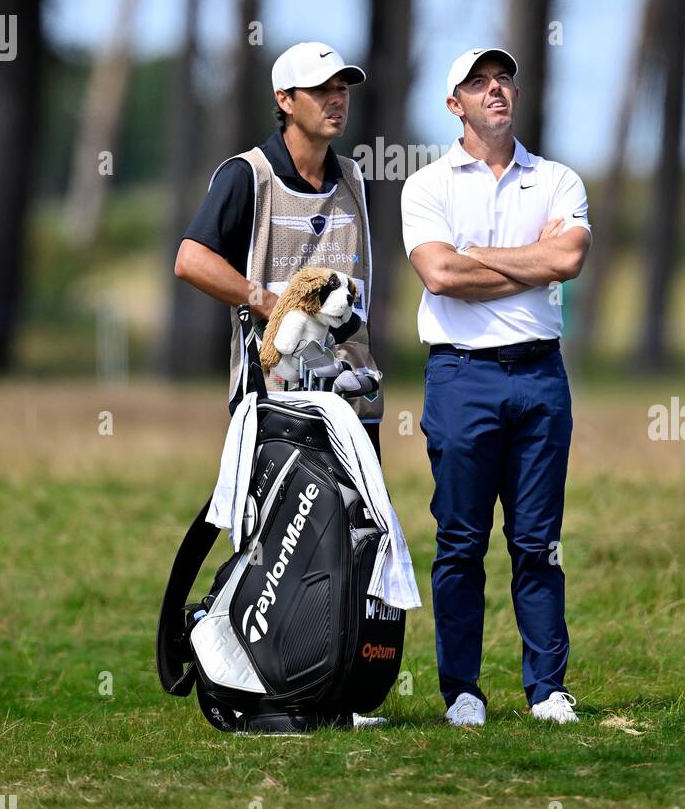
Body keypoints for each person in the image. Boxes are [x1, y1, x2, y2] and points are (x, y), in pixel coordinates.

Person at [400, 47, 591, 725]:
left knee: (537, 542)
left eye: (502, 78)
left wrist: (476, 255)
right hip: (461, 375)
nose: (495, 90)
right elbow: (440, 276)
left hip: (540, 374)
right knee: (459, 541)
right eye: (477, 83)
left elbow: (568, 257)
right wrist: (530, 264)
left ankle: (546, 689)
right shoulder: (425, 186)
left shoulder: (558, 180)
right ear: (454, 105)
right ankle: (462, 692)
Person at [175, 41, 384, 461]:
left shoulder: (352, 177)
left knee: (359, 525)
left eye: (342, 88)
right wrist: (270, 302)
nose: (337, 99)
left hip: (352, 392)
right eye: (320, 89)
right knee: (278, 525)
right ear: (284, 99)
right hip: (274, 392)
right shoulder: (247, 174)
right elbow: (191, 260)